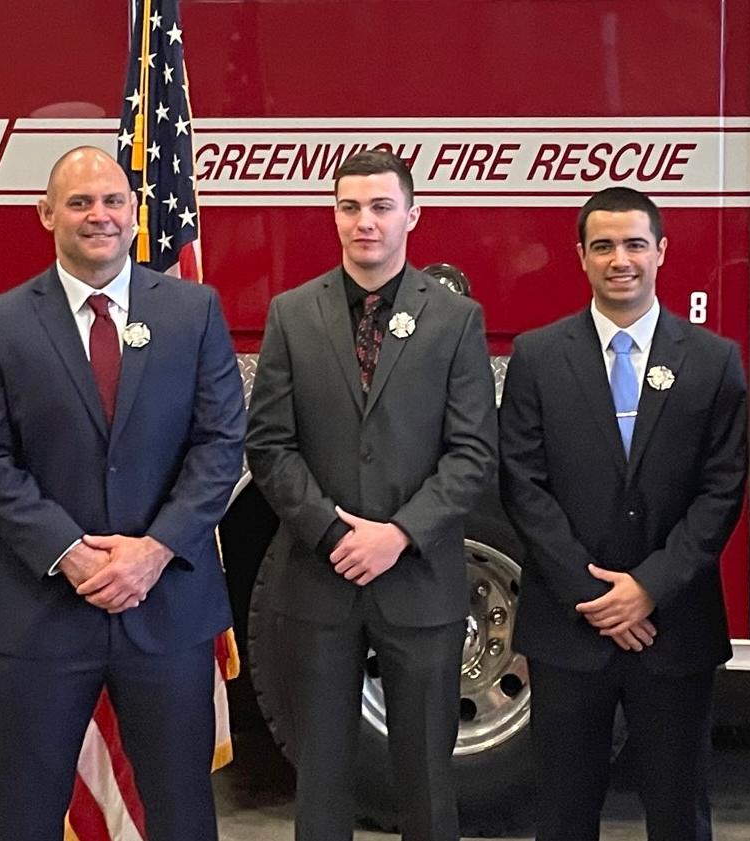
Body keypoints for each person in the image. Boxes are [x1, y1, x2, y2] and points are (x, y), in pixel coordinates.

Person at [0, 146, 245, 841]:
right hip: (45, 609)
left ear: (135, 213)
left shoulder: (193, 310)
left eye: (113, 201)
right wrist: (70, 553)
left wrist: (154, 551)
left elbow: (219, 445)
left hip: (167, 606)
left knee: (181, 811)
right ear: (47, 214)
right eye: (80, 202)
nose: (99, 216)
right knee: (26, 811)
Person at [245, 149, 498, 841]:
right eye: (350, 207)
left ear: (412, 215)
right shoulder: (292, 314)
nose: (366, 222)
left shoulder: (456, 321)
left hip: (420, 584)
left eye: (382, 207)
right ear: (334, 216)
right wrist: (332, 533)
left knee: (427, 783)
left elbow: (473, 453)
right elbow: (269, 445)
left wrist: (398, 534)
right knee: (321, 783)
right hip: (318, 584)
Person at [498, 186, 748, 840]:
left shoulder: (714, 360)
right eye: (603, 246)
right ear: (580, 256)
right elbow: (522, 484)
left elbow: (722, 490)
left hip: (675, 627)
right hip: (568, 629)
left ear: (661, 251)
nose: (620, 260)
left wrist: (648, 588)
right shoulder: (537, 356)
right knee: (563, 815)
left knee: (679, 815)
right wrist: (593, 596)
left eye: (635, 244)